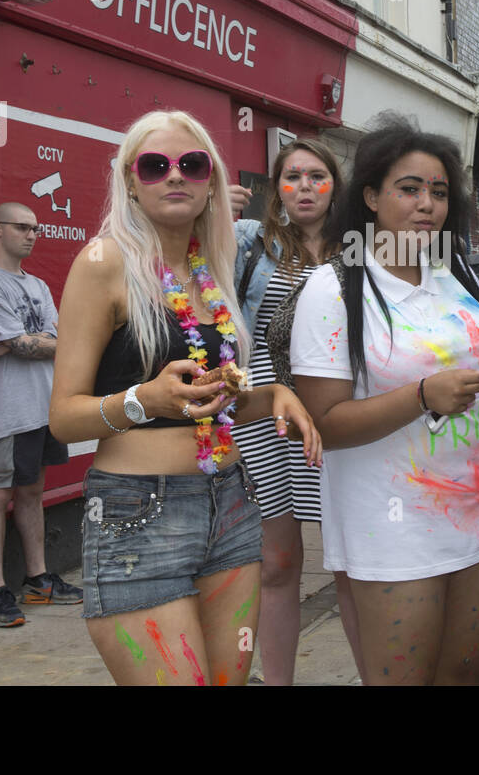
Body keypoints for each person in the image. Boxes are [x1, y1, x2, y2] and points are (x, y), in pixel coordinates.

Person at [48, 110, 322, 686]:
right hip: (140, 515)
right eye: (156, 165)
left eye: (192, 165)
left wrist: (272, 395)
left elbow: (212, 403)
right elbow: (63, 419)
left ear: (211, 183)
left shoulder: (210, 270)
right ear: (129, 180)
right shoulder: (104, 263)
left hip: (232, 502)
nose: (175, 176)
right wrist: (143, 400)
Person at [290, 122, 479, 685]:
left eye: (439, 193)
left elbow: (460, 363)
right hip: (393, 526)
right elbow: (326, 424)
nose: (427, 205)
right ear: (371, 197)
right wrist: (424, 396)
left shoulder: (455, 271)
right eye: (410, 189)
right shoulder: (333, 287)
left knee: (467, 675)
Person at [227, 137, 356, 686]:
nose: (304, 187)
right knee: (278, 563)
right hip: (262, 416)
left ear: (335, 186)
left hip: (329, 416)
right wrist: (212, 219)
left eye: (317, 177)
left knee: (350, 565)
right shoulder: (248, 241)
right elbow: (185, 274)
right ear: (275, 188)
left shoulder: (357, 250)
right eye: (292, 177)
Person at [0, 202, 81, 627]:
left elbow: (53, 336)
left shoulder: (39, 285)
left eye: (36, 229)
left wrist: (13, 343)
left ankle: (38, 580)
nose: (31, 235)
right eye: (21, 227)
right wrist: (20, 342)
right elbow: (37, 344)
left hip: (42, 404)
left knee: (32, 491)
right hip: (7, 409)